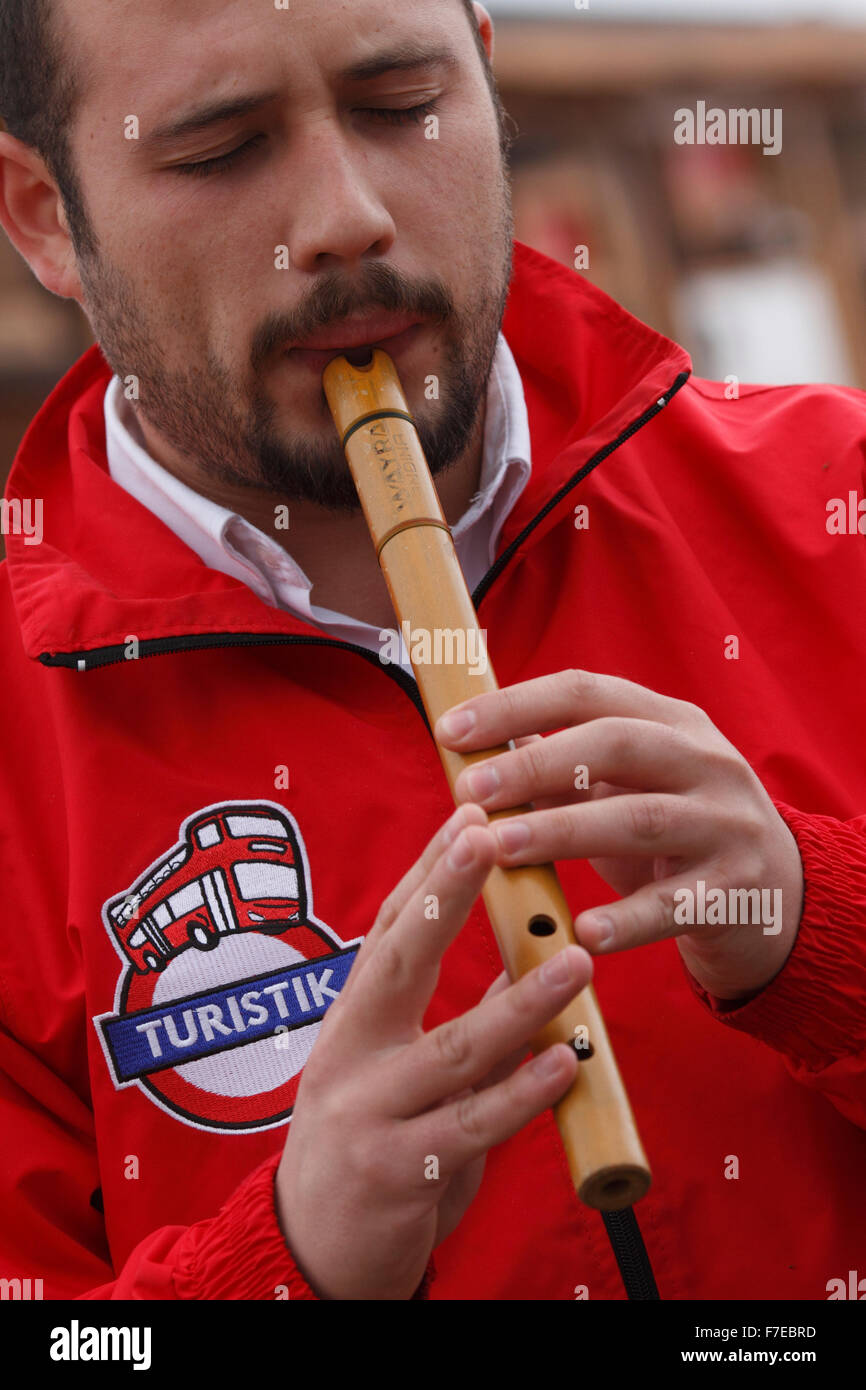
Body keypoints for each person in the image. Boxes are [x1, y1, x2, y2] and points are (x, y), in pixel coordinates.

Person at [0, 0, 864, 1303]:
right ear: (45, 216)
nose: (345, 214)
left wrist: (823, 931)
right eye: (220, 149)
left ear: (487, 78)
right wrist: (284, 1264)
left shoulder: (833, 496)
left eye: (400, 104)